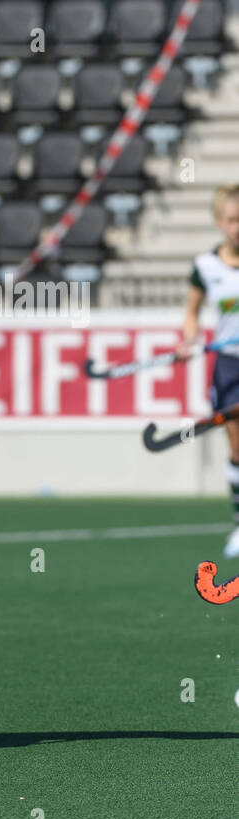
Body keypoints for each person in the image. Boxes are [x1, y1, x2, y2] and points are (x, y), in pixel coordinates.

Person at [179, 184, 239, 557]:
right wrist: (188, 341)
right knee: (238, 448)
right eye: (232, 220)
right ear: (219, 222)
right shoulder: (205, 267)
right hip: (230, 366)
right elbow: (191, 314)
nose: (238, 227)